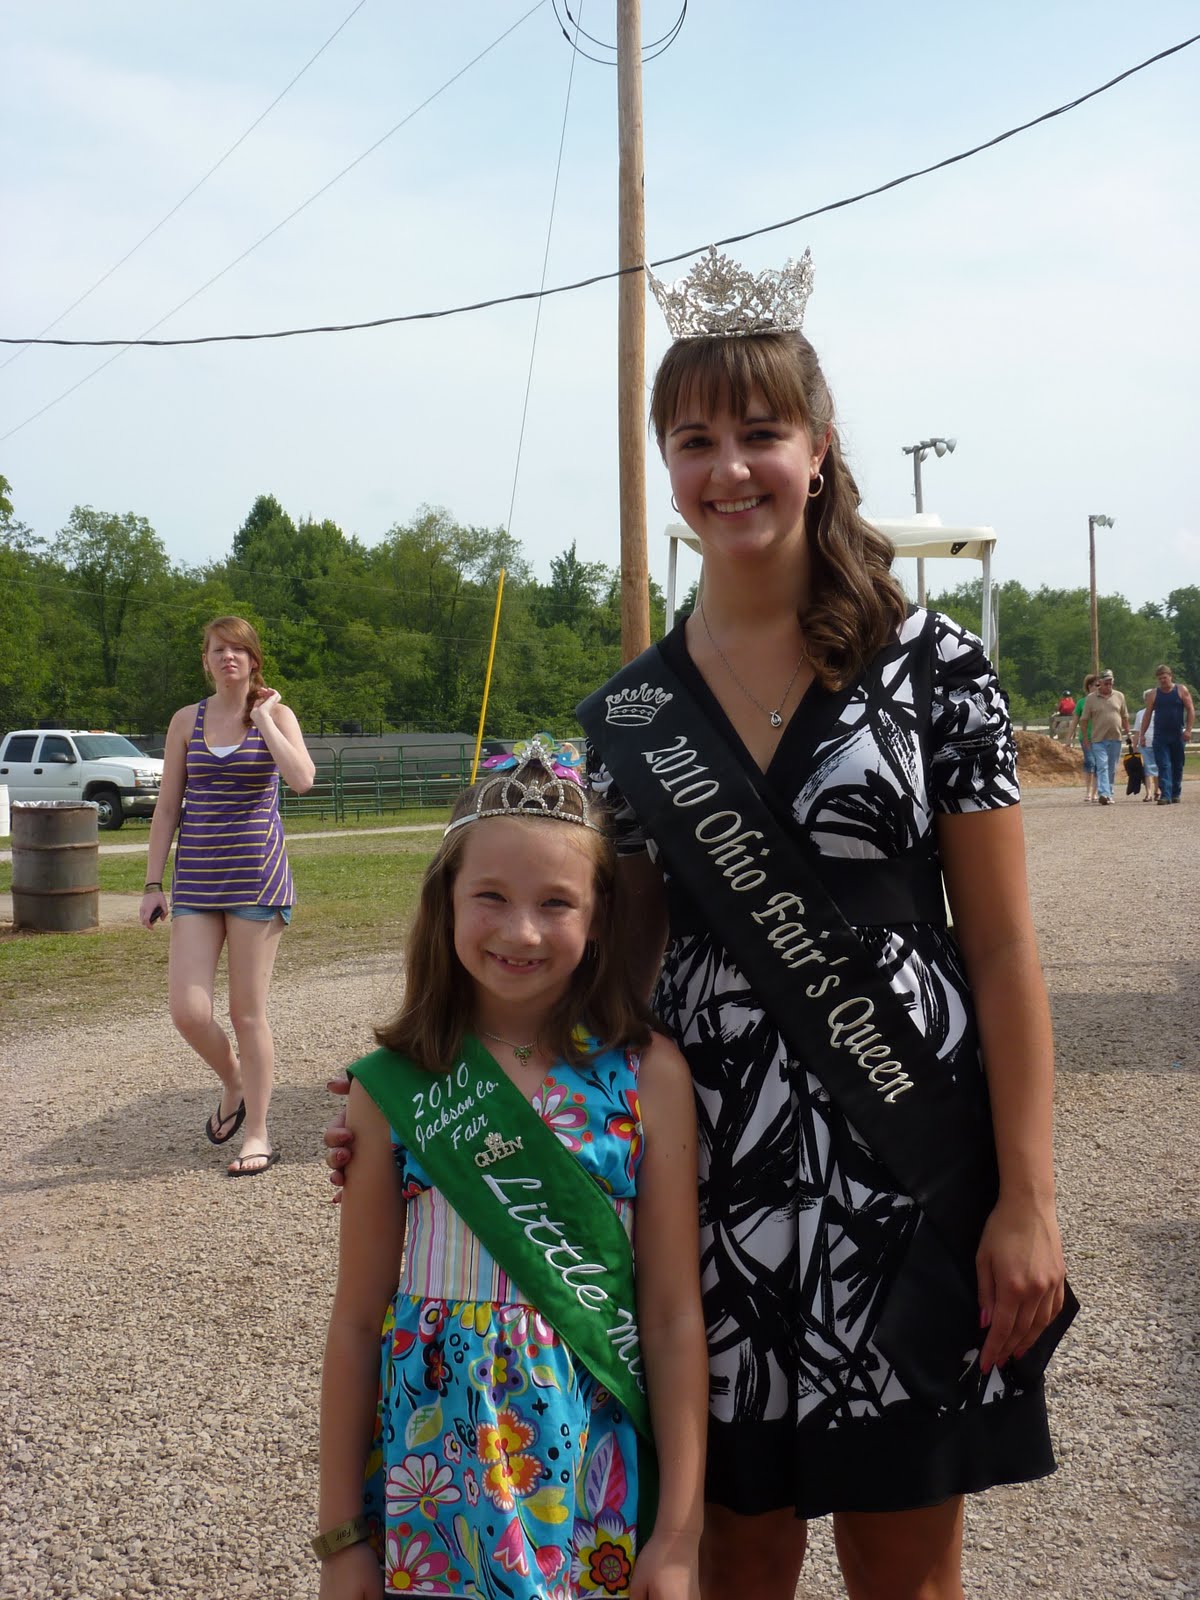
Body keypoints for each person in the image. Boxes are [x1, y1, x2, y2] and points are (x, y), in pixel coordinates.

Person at [327, 256, 1071, 1600]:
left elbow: (1007, 950)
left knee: (909, 1564)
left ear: (821, 448)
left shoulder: (937, 670)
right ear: (666, 461)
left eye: (760, 435)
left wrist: (1028, 1196)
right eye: (695, 441)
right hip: (706, 1196)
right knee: (732, 1560)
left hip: (907, 1182)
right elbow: (579, 974)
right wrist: (421, 1096)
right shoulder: (627, 726)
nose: (730, 470)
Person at [316, 740, 708, 1600]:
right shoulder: (392, 1087)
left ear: (600, 917)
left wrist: (678, 1538)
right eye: (489, 896)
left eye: (555, 903)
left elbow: (675, 1317)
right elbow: (355, 1322)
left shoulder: (650, 1078)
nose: (520, 930)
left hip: (587, 1478)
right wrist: (343, 1540)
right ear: (443, 903)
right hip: (434, 1482)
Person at [140, 615, 314, 1176]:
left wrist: (262, 718)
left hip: (257, 881)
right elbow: (167, 807)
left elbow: (302, 780)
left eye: (238, 649)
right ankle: (234, 1079)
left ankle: (258, 1133)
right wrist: (151, 884)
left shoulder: (276, 715)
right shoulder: (184, 721)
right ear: (207, 660)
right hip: (196, 882)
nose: (227, 658)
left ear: (253, 659)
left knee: (247, 1013)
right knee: (188, 1012)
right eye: (218, 649)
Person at [1074, 670, 1130, 806]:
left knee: (1111, 767)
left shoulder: (1119, 696)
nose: (1108, 685)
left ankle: (1109, 793)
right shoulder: (1091, 699)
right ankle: (1103, 794)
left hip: (1115, 737)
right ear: (1100, 683)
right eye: (1106, 682)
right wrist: (1085, 739)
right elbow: (1084, 719)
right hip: (1098, 739)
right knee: (1102, 766)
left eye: (1111, 682)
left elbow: (1124, 716)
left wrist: (1128, 733)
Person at [1142, 663, 1194, 804]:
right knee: (1163, 764)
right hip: (1160, 736)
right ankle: (1165, 795)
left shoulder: (1181, 690)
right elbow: (1147, 715)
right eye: (1160, 678)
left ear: (1170, 676)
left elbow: (1190, 709)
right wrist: (1142, 734)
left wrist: (1188, 730)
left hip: (1177, 734)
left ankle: (1175, 792)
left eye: (1164, 677)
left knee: (1177, 765)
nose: (1162, 680)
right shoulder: (1154, 694)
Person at [1071, 673, 1098, 801]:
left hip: (1100, 736)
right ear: (1089, 686)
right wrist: (1068, 738)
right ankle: (1088, 791)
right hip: (1086, 737)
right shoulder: (1082, 702)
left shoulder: (1101, 701)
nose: (1097, 688)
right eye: (1095, 685)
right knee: (1090, 763)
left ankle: (1095, 792)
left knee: (1099, 764)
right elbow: (1075, 720)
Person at [1132, 699, 1159, 803]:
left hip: (1158, 744)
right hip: (1144, 744)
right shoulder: (1140, 713)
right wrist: (1134, 746)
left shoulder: (1160, 712)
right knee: (1147, 769)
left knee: (1158, 768)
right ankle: (1148, 793)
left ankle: (1157, 790)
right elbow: (1137, 731)